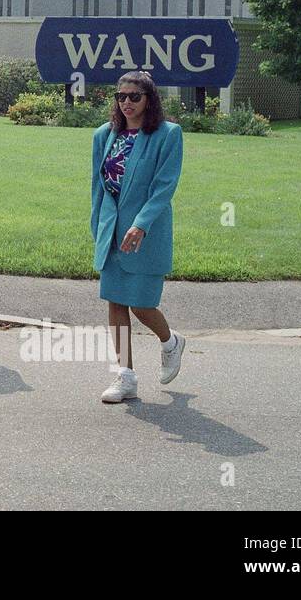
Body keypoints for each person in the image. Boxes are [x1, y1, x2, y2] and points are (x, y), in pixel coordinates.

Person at [90, 70, 186, 402]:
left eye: (134, 96)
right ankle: (125, 376)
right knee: (115, 300)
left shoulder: (168, 134)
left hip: (146, 232)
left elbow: (164, 187)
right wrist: (97, 227)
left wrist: (141, 223)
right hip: (112, 230)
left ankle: (170, 341)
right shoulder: (104, 135)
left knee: (142, 304)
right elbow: (97, 188)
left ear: (149, 99)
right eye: (121, 97)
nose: (127, 103)